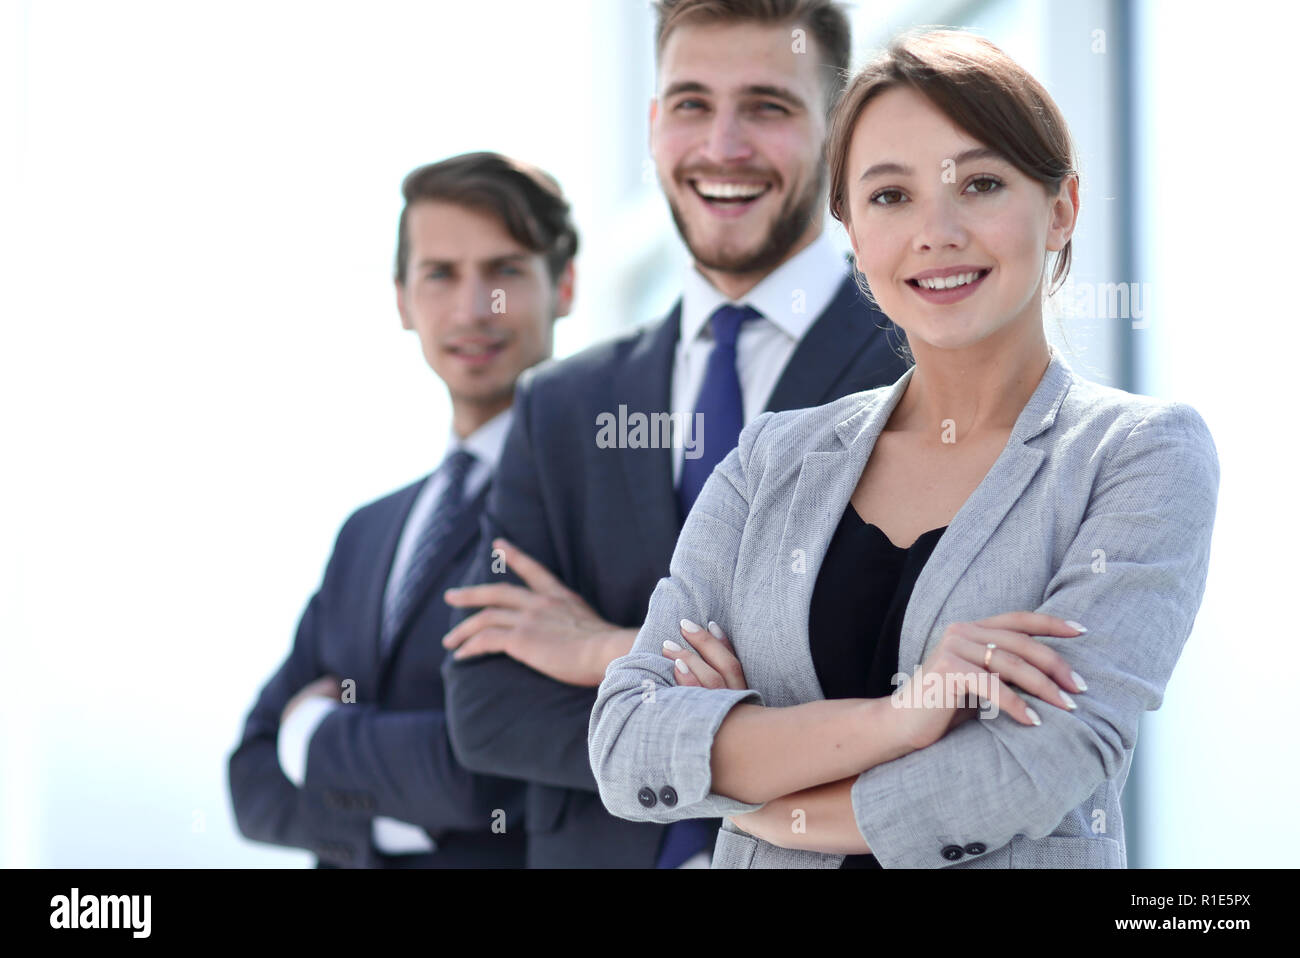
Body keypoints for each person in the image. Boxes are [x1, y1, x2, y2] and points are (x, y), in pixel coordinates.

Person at [589, 29, 1221, 868]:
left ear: (1062, 208)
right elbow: (628, 740)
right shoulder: (771, 460)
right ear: (848, 229)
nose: (938, 231)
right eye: (890, 197)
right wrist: (903, 717)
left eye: (983, 184)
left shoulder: (1139, 457)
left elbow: (1042, 764)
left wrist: (762, 789)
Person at [439, 0, 911, 868]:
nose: (722, 146)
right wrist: (755, 721)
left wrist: (611, 653)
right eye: (692, 104)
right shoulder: (562, 406)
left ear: (838, 133)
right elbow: (488, 707)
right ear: (655, 128)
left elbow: (923, 693)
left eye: (767, 106)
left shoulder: (920, 370)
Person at [227, 152, 578, 867]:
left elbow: (492, 773)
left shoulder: (592, 507)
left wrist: (314, 738)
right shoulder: (368, 532)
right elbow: (250, 780)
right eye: (440, 274)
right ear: (400, 299)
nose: (474, 308)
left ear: (563, 285)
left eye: (505, 271)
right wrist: (388, 825)